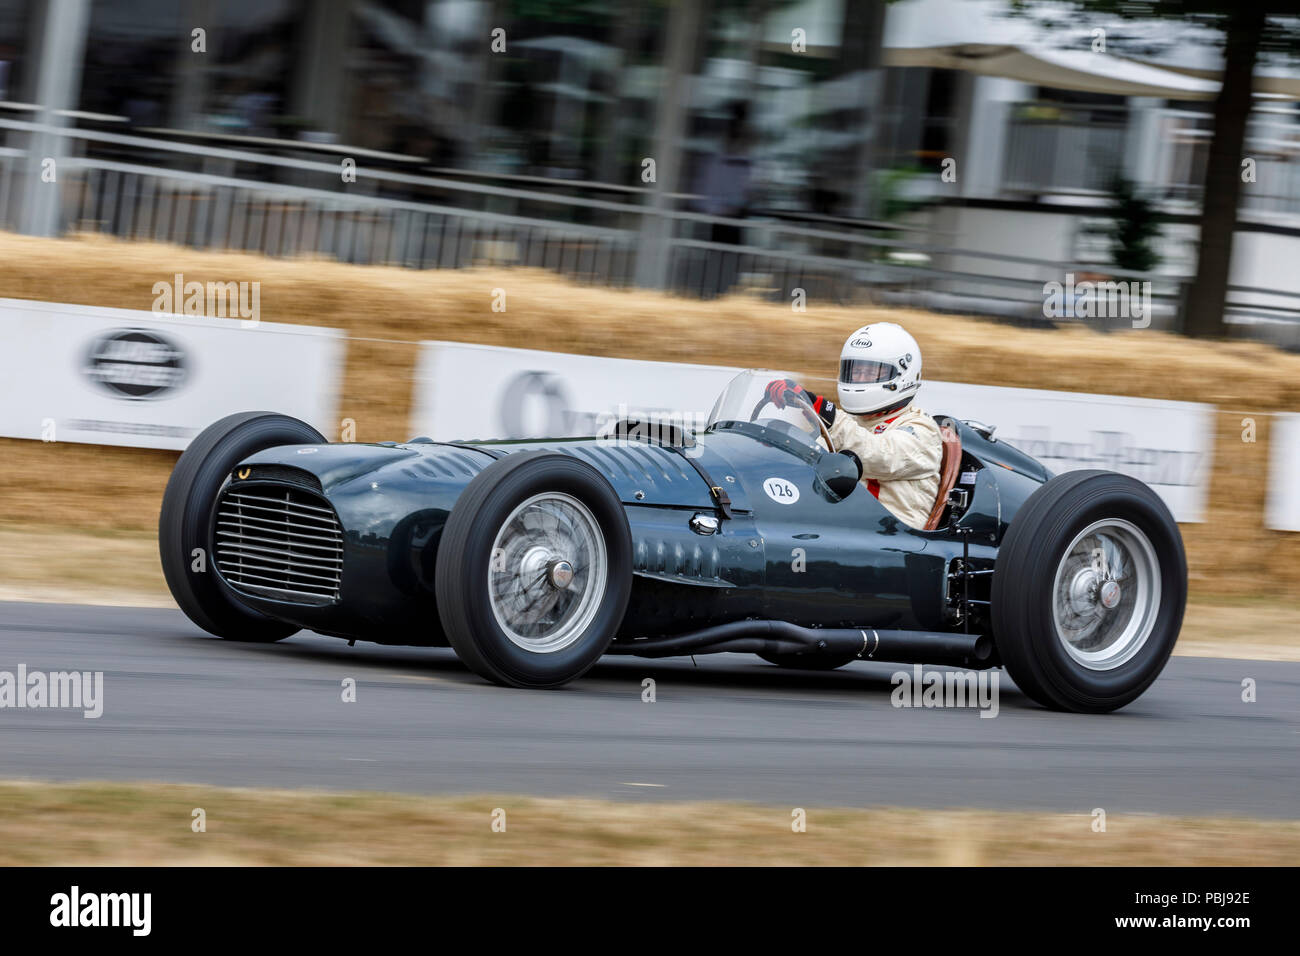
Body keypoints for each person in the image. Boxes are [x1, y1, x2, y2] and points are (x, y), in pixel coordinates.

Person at [765, 323, 943, 529]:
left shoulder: (923, 430)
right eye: (856, 371)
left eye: (869, 372)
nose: (859, 379)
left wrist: (823, 409)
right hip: (849, 529)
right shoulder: (855, 424)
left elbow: (878, 455)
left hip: (892, 540)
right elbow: (813, 461)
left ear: (903, 375)